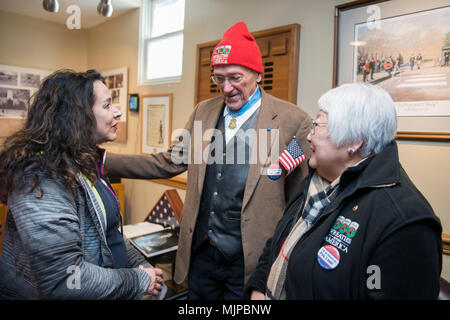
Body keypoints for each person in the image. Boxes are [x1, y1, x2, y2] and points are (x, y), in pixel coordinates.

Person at [104, 21, 312, 300]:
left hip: (249, 262)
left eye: (235, 77)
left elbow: (300, 197)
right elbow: (168, 162)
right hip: (202, 256)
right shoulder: (204, 112)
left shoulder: (293, 121)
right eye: (219, 78)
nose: (226, 88)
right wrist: (102, 160)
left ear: (257, 73)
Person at [245, 83, 442, 300]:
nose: (309, 136)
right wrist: (258, 292)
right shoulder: (316, 180)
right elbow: (276, 244)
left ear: (354, 141)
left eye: (318, 124)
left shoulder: (405, 221)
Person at [0, 70, 164, 299]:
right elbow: (66, 280)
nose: (117, 112)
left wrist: (141, 265)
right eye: (107, 106)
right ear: (77, 116)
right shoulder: (41, 179)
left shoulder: (82, 162)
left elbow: (106, 233)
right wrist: (136, 280)